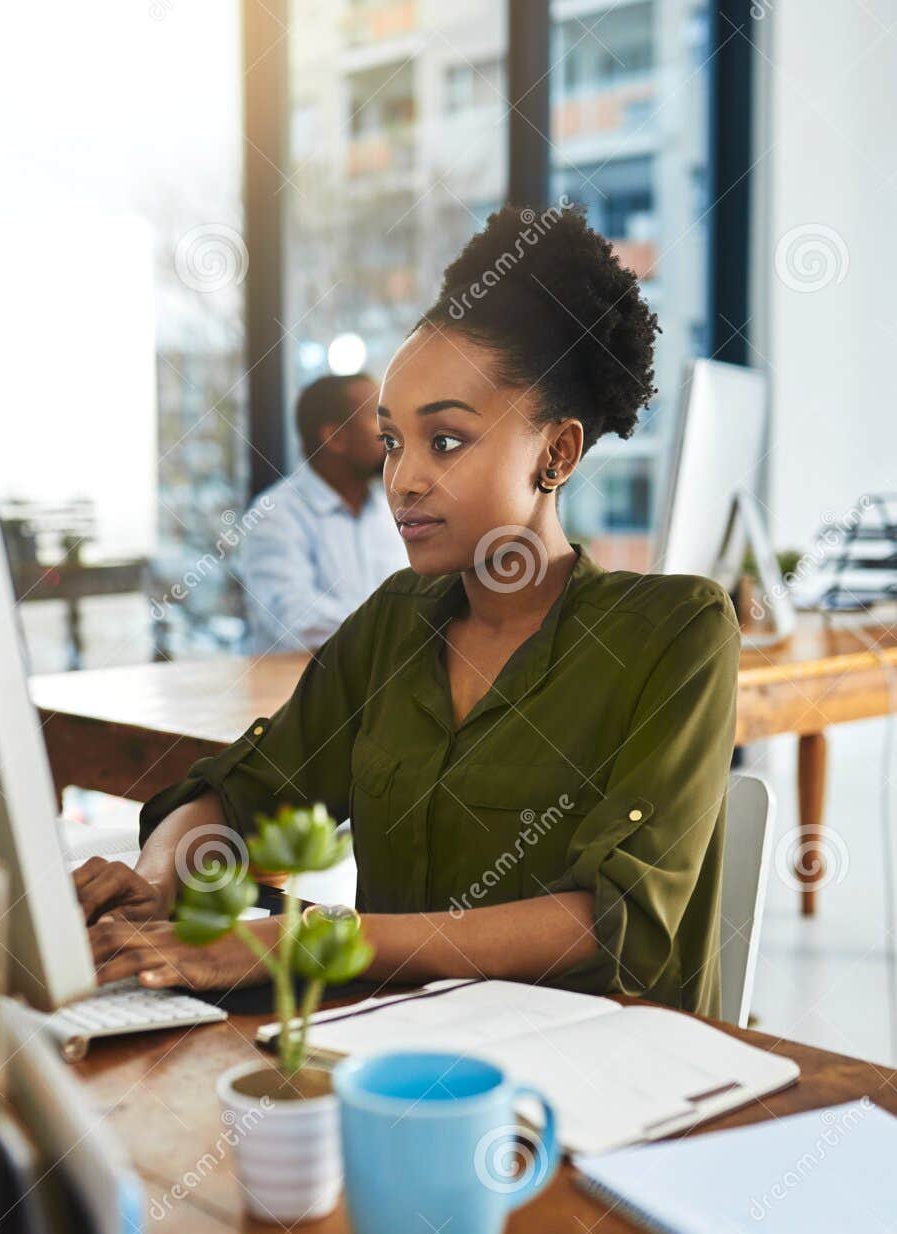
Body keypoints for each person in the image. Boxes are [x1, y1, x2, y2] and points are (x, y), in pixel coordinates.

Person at [74, 205, 740, 1020]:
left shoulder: (677, 631)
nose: (404, 480)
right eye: (392, 442)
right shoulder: (396, 620)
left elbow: (612, 922)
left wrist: (300, 939)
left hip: (598, 1086)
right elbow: (242, 793)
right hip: (390, 1060)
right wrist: (151, 885)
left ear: (556, 453)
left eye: (447, 442)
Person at [240, 372, 406, 653]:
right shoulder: (275, 515)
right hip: (300, 690)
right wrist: (399, 625)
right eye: (377, 418)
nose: (391, 432)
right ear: (335, 437)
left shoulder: (392, 508)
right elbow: (295, 623)